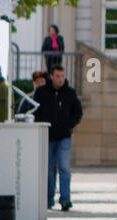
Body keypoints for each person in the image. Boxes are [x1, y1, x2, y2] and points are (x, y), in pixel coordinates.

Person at [34, 64, 83, 211]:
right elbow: (34, 110)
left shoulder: (70, 93)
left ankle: (65, 199)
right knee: (48, 170)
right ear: (51, 76)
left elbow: (78, 112)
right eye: (58, 76)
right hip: (47, 137)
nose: (61, 79)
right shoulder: (41, 92)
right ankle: (48, 200)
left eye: (62, 76)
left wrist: (69, 125)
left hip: (64, 137)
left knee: (64, 168)